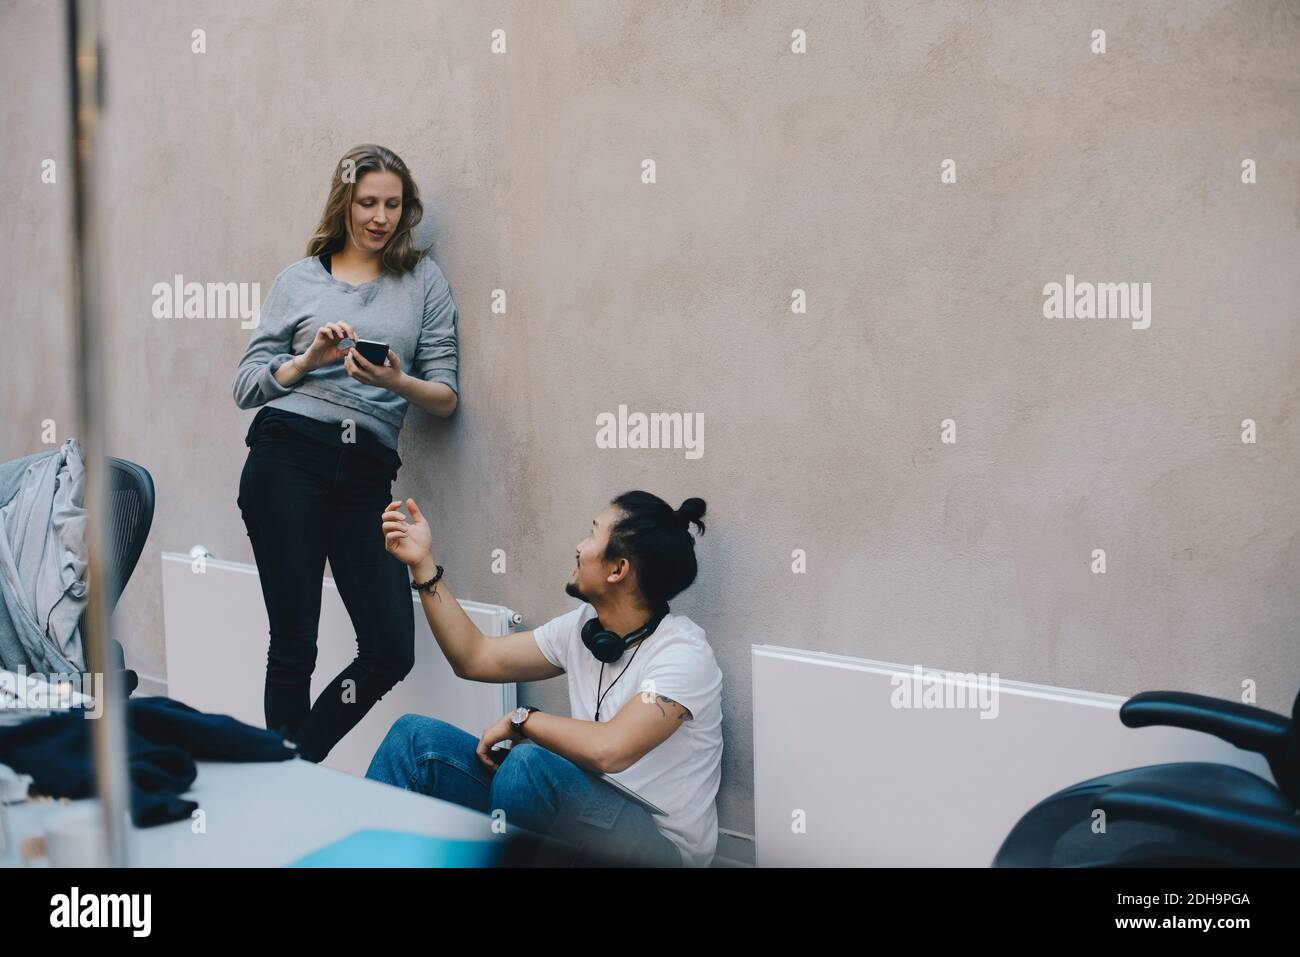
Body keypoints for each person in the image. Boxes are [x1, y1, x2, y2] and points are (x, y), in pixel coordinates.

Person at [230, 144, 460, 763]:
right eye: (368, 203)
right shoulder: (299, 279)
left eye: (393, 204)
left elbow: (444, 396)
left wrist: (396, 383)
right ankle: (290, 787)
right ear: (345, 204)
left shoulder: (423, 281)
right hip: (288, 455)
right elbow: (246, 385)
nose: (380, 217)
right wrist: (306, 362)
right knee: (295, 640)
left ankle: (286, 768)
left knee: (389, 645)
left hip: (365, 474)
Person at [366, 492, 723, 867]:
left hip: (657, 848)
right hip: (579, 817)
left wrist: (524, 720)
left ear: (617, 569)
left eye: (591, 535)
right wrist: (422, 565)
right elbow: (474, 657)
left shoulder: (683, 655)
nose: (579, 547)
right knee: (415, 740)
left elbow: (612, 750)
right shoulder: (583, 629)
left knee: (526, 766)